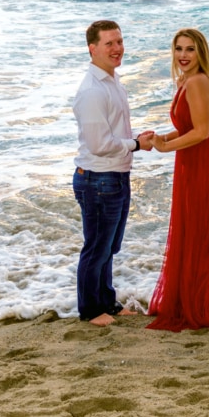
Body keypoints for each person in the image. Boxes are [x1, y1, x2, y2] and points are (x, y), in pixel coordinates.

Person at [147, 28, 209, 332]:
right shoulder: (188, 81)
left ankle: (197, 305)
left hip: (204, 162)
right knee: (195, 231)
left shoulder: (196, 82)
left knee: (199, 232)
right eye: (179, 49)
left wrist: (167, 147)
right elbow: (191, 127)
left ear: (201, 53)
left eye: (190, 49)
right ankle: (194, 300)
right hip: (197, 159)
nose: (183, 55)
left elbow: (200, 132)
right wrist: (161, 138)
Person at [73, 19, 154, 326]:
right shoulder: (93, 90)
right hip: (98, 178)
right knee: (96, 248)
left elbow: (112, 134)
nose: (117, 48)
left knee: (109, 246)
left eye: (119, 41)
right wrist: (135, 144)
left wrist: (135, 141)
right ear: (92, 48)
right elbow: (98, 144)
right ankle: (90, 311)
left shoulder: (111, 81)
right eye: (109, 43)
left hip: (115, 176)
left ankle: (108, 302)